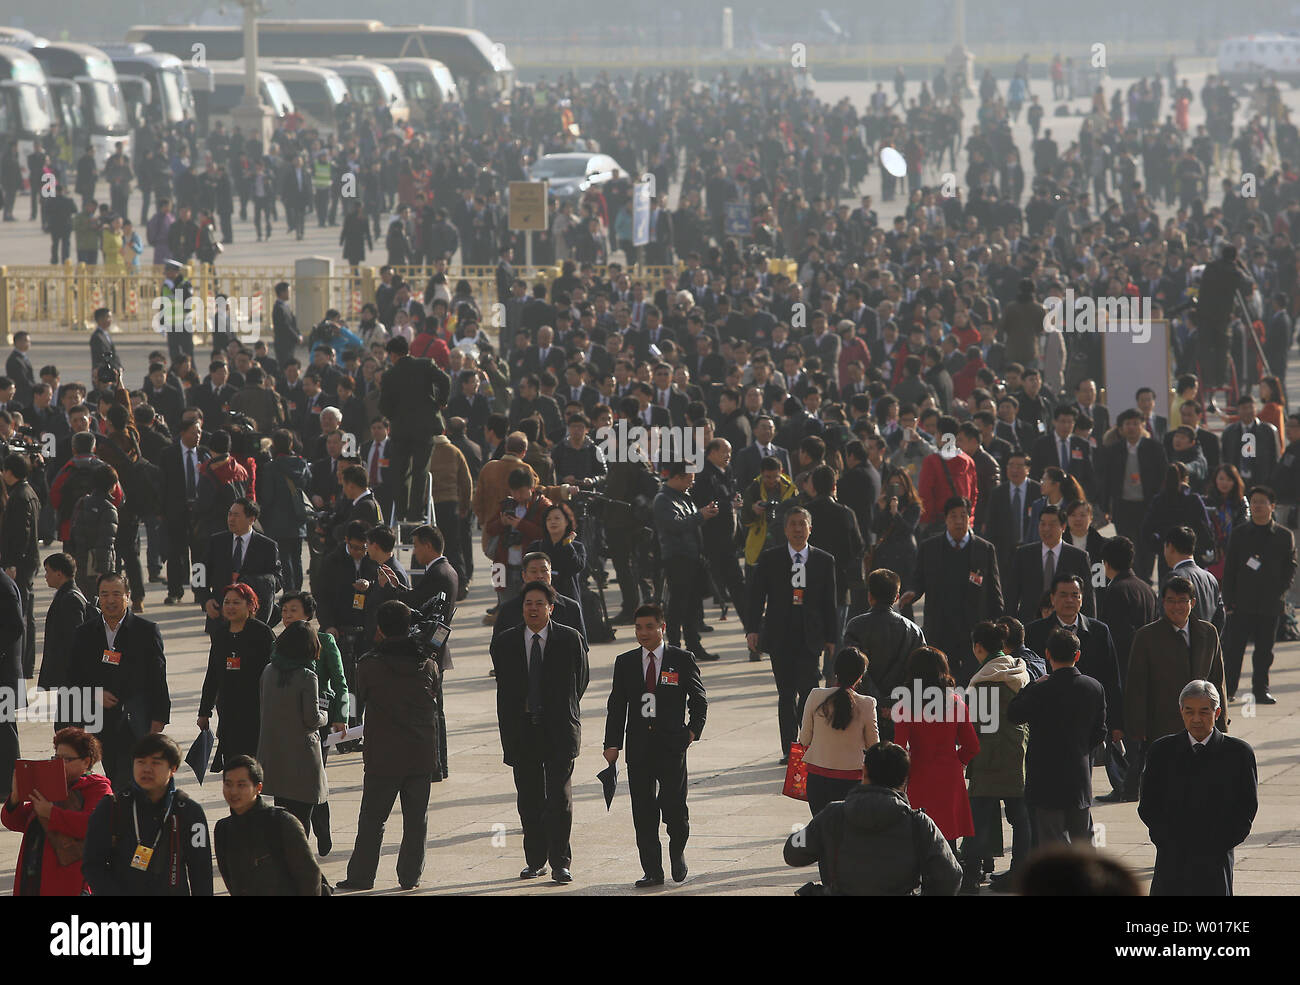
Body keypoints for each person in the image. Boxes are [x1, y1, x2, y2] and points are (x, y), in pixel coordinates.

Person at [489, 580, 590, 883]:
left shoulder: (569, 639)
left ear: (551, 608)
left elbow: (580, 681)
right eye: (528, 604)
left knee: (559, 798)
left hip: (558, 729)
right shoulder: (505, 642)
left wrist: (562, 710)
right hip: (523, 730)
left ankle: (561, 861)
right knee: (530, 799)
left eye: (539, 604)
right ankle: (535, 860)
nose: (533, 609)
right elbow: (505, 690)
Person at [603, 603, 708, 887]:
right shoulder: (625, 662)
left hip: (672, 746)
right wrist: (612, 744)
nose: (644, 633)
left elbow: (699, 700)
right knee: (643, 810)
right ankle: (652, 869)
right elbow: (616, 707)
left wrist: (691, 732)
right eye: (638, 628)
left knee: (674, 806)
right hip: (638, 748)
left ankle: (677, 850)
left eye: (650, 627)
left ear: (662, 628)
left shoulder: (681, 659)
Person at [339, 601, 440, 891]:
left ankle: (361, 876)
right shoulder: (428, 663)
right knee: (416, 821)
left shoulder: (370, 665)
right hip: (420, 754)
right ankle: (410, 876)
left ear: (379, 628)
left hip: (383, 755)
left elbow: (361, 695)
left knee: (372, 819)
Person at [782, 741, 962, 896]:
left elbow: (794, 854)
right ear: (904, 778)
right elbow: (950, 875)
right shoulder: (918, 823)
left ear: (864, 771)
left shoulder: (833, 814)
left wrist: (801, 831)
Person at [1138, 680, 1258, 896]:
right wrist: (1165, 839)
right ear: (1181, 711)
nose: (1196, 719)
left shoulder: (1238, 754)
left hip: (1216, 856)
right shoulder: (1162, 751)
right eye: (1189, 711)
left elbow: (1246, 807)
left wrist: (1221, 843)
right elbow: (1148, 804)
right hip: (1171, 856)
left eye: (1204, 712)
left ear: (1217, 712)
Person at [746, 508, 839, 761]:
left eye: (803, 524)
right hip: (780, 636)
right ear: (785, 529)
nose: (798, 529)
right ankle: (789, 748)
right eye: (793, 524)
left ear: (810, 528)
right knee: (786, 693)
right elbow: (756, 597)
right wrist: (752, 629)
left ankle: (808, 743)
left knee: (809, 694)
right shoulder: (771, 559)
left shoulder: (823, 560)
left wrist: (832, 637)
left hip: (810, 637)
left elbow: (830, 602)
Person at [66, 573, 169, 790]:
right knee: (113, 771)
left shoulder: (146, 631)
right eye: (104, 594)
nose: (110, 600)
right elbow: (72, 676)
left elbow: (158, 676)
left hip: (135, 719)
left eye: (116, 594)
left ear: (127, 596)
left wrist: (160, 716)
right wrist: (93, 693)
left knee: (129, 777)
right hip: (100, 721)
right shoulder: (84, 633)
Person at [1006, 628, 1108, 845]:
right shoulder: (1094, 687)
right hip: (1078, 775)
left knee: (1052, 842)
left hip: (1045, 778)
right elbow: (1100, 732)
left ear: (1047, 654)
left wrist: (1032, 685)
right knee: (1083, 840)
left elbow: (1013, 714)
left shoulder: (1040, 690)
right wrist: (1080, 748)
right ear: (1077, 655)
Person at [82, 733, 213, 896]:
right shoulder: (112, 807)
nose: (146, 769)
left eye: (156, 763)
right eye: (141, 762)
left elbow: (201, 872)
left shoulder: (189, 812)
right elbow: (92, 864)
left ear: (173, 769)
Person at [899, 496, 1003, 685]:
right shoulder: (929, 548)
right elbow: (918, 579)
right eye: (953, 516)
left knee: (972, 682)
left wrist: (998, 626)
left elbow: (994, 592)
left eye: (963, 516)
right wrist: (912, 592)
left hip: (973, 629)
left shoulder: (984, 549)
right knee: (939, 680)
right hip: (940, 625)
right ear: (946, 519)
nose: (958, 521)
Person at [962, 621, 1031, 894]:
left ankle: (969, 879)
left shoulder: (982, 682)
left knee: (976, 822)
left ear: (978, 647)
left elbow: (974, 725)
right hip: (1017, 756)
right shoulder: (1020, 672)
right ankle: (1021, 871)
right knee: (1021, 818)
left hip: (987, 760)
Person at [1, 727, 112, 896]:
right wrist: (16, 798)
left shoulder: (97, 787)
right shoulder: (50, 783)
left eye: (67, 759)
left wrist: (51, 813)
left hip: (68, 877)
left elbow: (93, 825)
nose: (60, 764)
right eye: (57, 758)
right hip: (33, 870)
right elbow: (15, 822)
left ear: (86, 761)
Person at [893, 647, 979, 851]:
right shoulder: (956, 702)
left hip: (920, 775)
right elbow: (972, 746)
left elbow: (899, 749)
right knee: (948, 840)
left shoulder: (906, 705)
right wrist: (958, 760)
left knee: (920, 836)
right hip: (950, 774)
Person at [1221, 484, 1296, 703]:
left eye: (1262, 502)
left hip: (1270, 603)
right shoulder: (1240, 533)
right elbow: (1230, 568)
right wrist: (1228, 599)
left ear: (1272, 506)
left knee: (1265, 651)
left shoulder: (1284, 536)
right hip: (1241, 602)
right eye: (1254, 502)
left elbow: (1290, 567)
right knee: (1234, 651)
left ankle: (1260, 689)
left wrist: (1280, 592)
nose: (1258, 506)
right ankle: (1230, 689)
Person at [214, 755, 325, 896]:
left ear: (258, 787)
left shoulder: (282, 823)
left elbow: (310, 876)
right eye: (228, 784)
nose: (233, 791)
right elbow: (230, 880)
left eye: (241, 785)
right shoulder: (223, 829)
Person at [198, 583, 275, 770]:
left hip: (256, 710)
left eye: (236, 602)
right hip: (228, 711)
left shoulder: (262, 633)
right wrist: (204, 711)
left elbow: (274, 672)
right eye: (227, 602)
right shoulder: (220, 634)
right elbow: (212, 674)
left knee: (252, 764)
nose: (230, 607)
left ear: (250, 605)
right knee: (232, 763)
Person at [842, 568, 925, 739]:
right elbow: (921, 672)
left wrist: (877, 701)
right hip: (902, 709)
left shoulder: (855, 626)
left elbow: (854, 668)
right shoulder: (914, 630)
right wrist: (895, 702)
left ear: (870, 596)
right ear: (896, 597)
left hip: (863, 707)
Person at [797, 647, 879, 815]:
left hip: (818, 777)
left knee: (823, 831)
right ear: (860, 675)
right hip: (852, 779)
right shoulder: (867, 703)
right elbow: (873, 745)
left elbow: (804, 739)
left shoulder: (815, 696)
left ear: (835, 671)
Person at [654, 461, 722, 662]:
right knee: (677, 605)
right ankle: (673, 647)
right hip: (677, 558)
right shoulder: (663, 499)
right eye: (689, 480)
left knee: (693, 605)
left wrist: (703, 513)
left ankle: (694, 645)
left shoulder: (684, 498)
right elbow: (674, 526)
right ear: (677, 477)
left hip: (693, 557)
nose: (692, 484)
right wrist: (700, 516)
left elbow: (691, 521)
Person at [379, 335, 451, 522]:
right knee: (420, 470)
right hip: (425, 428)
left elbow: (384, 407)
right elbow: (445, 380)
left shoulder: (389, 376)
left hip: (400, 431)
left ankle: (402, 511)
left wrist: (394, 415)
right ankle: (416, 512)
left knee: (400, 471)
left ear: (392, 355)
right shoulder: (425, 365)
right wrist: (440, 402)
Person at [197, 497, 282, 631]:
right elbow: (199, 571)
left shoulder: (267, 546)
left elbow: (277, 579)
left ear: (251, 519)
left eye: (236, 515)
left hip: (252, 617)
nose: (231, 519)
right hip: (220, 614)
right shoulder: (216, 542)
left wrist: (255, 587)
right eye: (230, 514)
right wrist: (205, 599)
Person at [1006, 504, 1094, 623]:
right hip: (1029, 623)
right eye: (1043, 524)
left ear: (1063, 527)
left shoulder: (1078, 557)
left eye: (1052, 524)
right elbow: (1012, 594)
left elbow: (1088, 597)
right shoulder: (1024, 554)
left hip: (1066, 624)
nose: (1046, 529)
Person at [1, 454, 40, 677]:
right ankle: (28, 663)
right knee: (27, 615)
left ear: (10, 472)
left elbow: (19, 533)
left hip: (20, 563)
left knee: (21, 613)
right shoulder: (29, 493)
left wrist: (12, 562)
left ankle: (24, 663)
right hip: (29, 560)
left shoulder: (18, 497)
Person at [1159, 524, 1225, 634]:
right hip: (1205, 645)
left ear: (1170, 547)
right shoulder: (1210, 577)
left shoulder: (1174, 577)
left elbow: (1165, 616)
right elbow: (1220, 616)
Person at [37, 553, 88, 691]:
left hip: (66, 679)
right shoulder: (67, 595)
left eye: (48, 571)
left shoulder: (70, 599)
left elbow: (73, 641)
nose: (45, 576)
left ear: (59, 574)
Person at [526, 502, 587, 608]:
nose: (552, 522)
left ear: (566, 522)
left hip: (568, 600)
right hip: (541, 601)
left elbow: (576, 566)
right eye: (548, 519)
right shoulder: (536, 547)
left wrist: (567, 544)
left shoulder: (577, 547)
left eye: (557, 518)